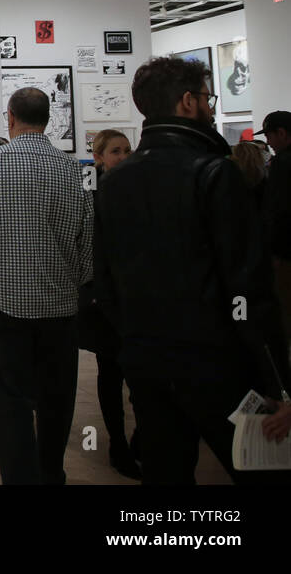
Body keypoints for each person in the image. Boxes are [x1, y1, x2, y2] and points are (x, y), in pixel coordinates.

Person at [95, 59, 291, 484]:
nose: (209, 106)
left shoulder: (114, 183)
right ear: (187, 101)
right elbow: (246, 287)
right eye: (206, 97)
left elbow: (105, 282)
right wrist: (276, 381)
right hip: (215, 362)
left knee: (165, 471)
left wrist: (135, 338)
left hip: (146, 360)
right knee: (259, 467)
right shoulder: (215, 172)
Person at [0, 87, 93, 485]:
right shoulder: (71, 168)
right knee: (57, 397)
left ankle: (20, 476)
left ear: (10, 117)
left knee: (8, 398)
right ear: (48, 119)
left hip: (3, 301)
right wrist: (76, 282)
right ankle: (51, 473)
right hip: (61, 304)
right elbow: (86, 237)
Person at [76, 129, 139, 479]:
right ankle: (118, 442)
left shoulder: (136, 186)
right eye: (116, 151)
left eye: (127, 150)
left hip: (133, 292)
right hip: (103, 294)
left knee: (139, 371)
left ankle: (139, 438)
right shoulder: (89, 191)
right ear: (99, 157)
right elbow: (85, 238)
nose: (124, 156)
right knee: (111, 369)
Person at [254, 111, 291, 343]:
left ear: (282, 133)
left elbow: (279, 211)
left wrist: (275, 251)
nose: (268, 142)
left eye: (269, 136)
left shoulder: (282, 163)